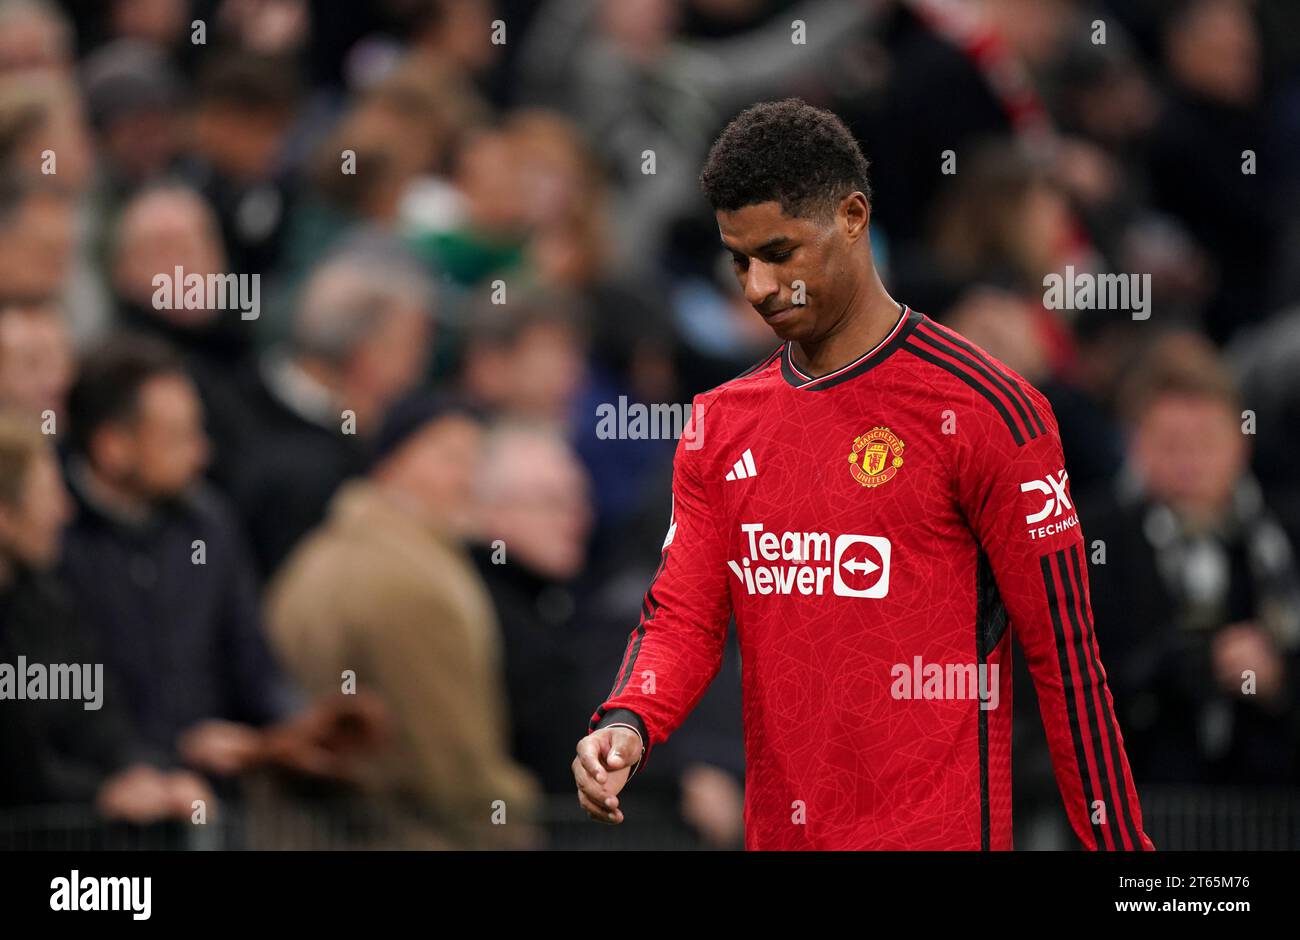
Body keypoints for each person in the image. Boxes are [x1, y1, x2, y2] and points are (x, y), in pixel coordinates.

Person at [572, 99, 1154, 850]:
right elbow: (684, 617)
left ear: (852, 218)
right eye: (738, 260)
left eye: (779, 253)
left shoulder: (989, 412)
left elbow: (1067, 663)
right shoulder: (720, 422)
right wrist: (628, 719)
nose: (755, 286)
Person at [59, 338, 378, 783]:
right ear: (113, 447)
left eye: (197, 431)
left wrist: (296, 724)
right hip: (95, 814)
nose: (200, 453)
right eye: (176, 438)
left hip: (211, 805)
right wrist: (162, 758)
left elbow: (251, 660)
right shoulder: (53, 538)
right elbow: (60, 704)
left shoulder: (208, 524)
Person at [265, 394, 541, 849]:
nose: (469, 477)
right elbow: (450, 766)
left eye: (476, 459)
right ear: (391, 463)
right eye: (451, 457)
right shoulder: (414, 584)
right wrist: (517, 818)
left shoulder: (318, 554)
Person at [1081, 333, 1300, 785]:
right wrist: (1182, 667)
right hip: (1139, 795)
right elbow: (1077, 678)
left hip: (1273, 801)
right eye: (1171, 443)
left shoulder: (1287, 534)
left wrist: (1279, 674)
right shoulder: (1095, 537)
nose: (1190, 462)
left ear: (1241, 443)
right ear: (1135, 446)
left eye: (1205, 441)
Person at [0, 411, 212, 825]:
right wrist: (102, 795)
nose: (63, 512)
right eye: (47, 494)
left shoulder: (47, 603)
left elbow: (96, 716)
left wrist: (148, 775)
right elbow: (18, 774)